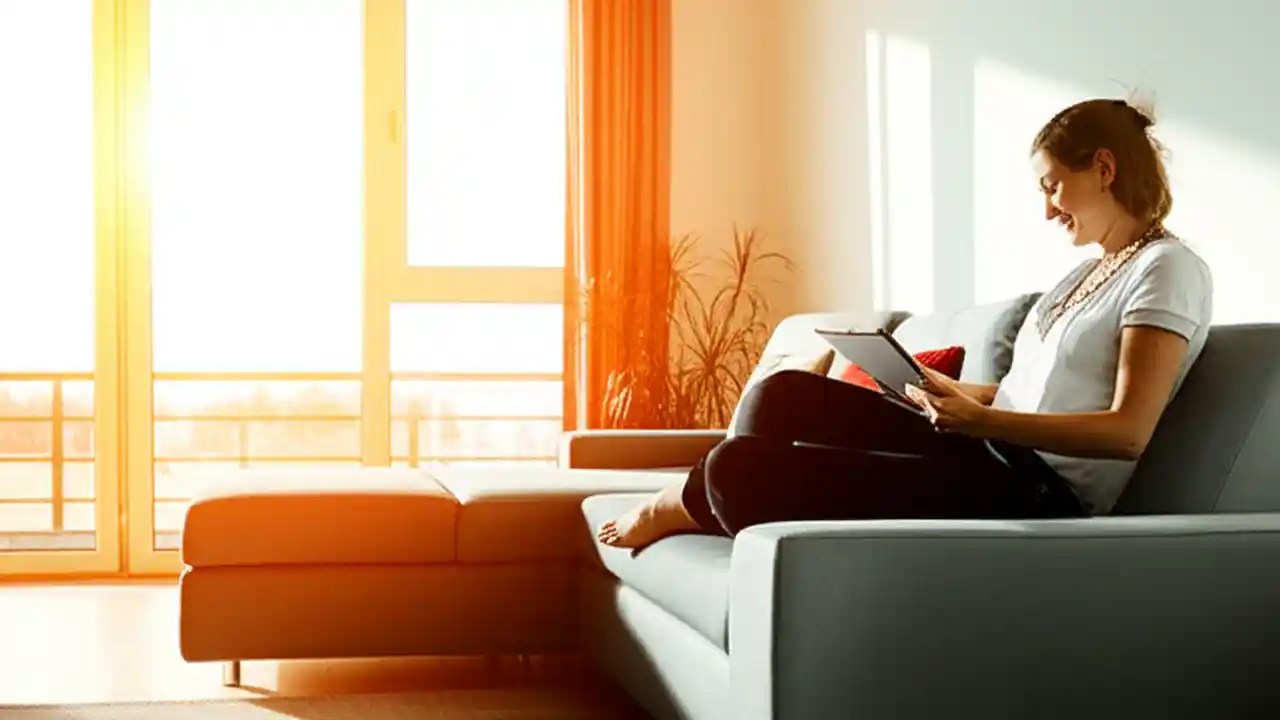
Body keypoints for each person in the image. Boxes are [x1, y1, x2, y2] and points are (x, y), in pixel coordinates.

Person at [597, 98, 1214, 550]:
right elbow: (1025, 393)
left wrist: (982, 421)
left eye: (1053, 186)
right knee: (779, 395)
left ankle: (688, 501)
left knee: (737, 469)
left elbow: (1129, 431)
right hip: (991, 451)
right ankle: (727, 500)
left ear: (1104, 168)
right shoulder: (1083, 276)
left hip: (1038, 492)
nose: (1048, 207)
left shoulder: (1167, 270)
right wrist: (935, 388)